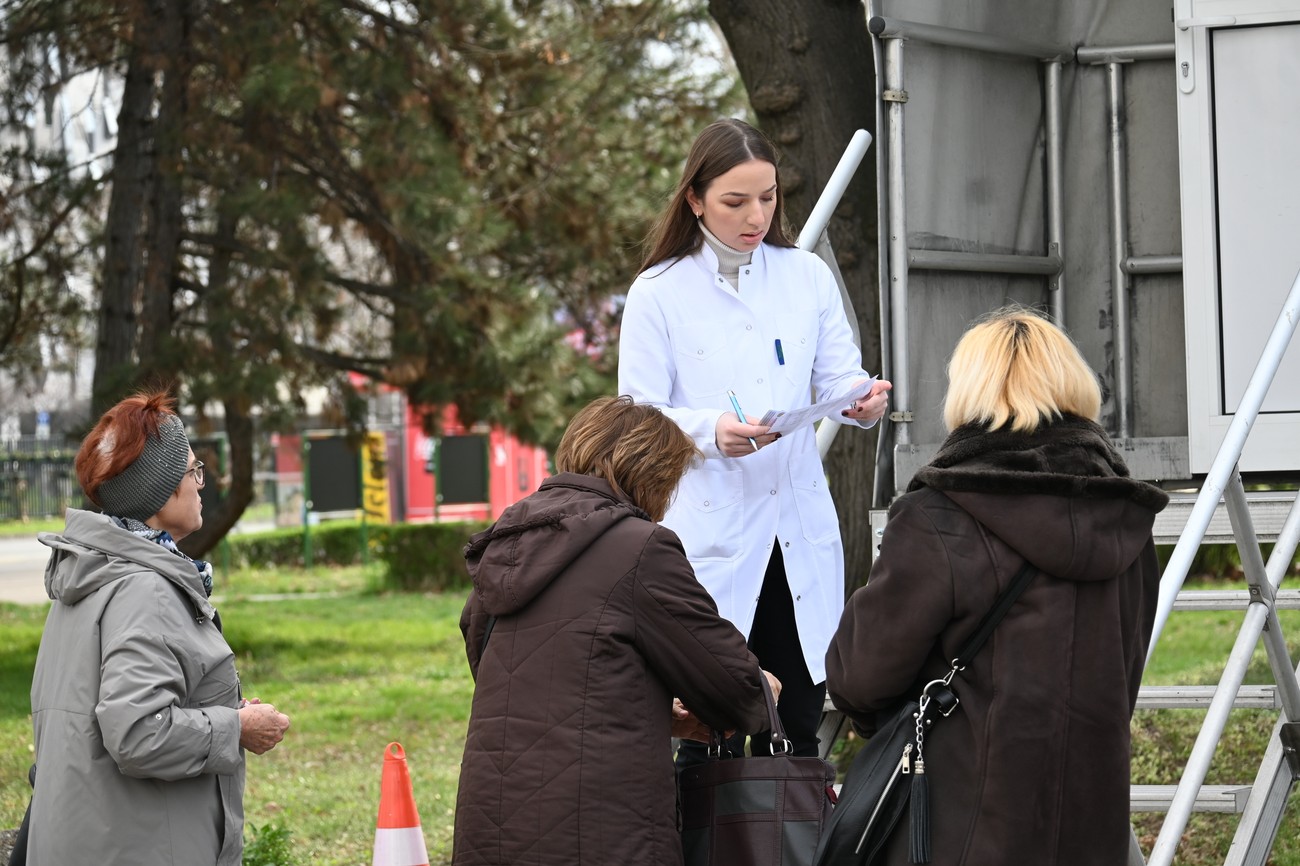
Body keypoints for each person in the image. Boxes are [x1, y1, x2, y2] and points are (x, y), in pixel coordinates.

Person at [825, 307, 1169, 864]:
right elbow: (1123, 675)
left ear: (971, 389)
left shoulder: (938, 515)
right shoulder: (1127, 520)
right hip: (1092, 831)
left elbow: (859, 678)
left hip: (959, 829)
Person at [617, 118, 892, 759]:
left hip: (794, 527)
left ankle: (793, 824)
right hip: (708, 533)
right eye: (735, 201)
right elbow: (637, 415)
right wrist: (710, 431)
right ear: (695, 199)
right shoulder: (657, 292)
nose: (756, 216)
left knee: (796, 722)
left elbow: (838, 375)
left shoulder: (805, 276)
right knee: (704, 725)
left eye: (767, 197)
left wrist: (861, 400)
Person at [453, 395, 779, 866]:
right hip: (602, 832)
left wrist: (651, 711)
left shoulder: (507, 542)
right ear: (654, 474)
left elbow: (504, 673)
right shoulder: (641, 548)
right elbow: (730, 684)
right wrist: (763, 689)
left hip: (489, 828)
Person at [27, 391, 290, 866]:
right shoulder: (145, 590)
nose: (201, 484)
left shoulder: (91, 577)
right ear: (163, 490)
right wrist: (237, 727)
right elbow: (139, 733)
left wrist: (217, 712)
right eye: (193, 471)